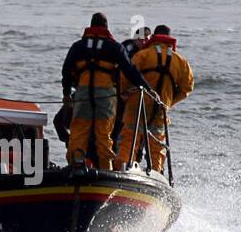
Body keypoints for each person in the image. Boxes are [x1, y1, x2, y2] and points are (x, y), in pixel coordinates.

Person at [61, 13, 155, 170]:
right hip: (106, 96)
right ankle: (107, 168)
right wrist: (147, 88)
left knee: (79, 131)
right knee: (103, 134)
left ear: (91, 26)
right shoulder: (115, 47)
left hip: (82, 94)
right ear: (106, 27)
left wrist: (66, 93)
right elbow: (130, 70)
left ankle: (76, 164)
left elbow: (66, 71)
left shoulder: (78, 46)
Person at [117, 24, 194, 172]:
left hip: (136, 105)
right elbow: (187, 88)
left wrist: (125, 95)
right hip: (161, 108)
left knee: (128, 140)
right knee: (157, 146)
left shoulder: (143, 55)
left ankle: (122, 169)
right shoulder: (181, 62)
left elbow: (125, 77)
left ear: (153, 38)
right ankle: (156, 173)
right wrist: (169, 102)